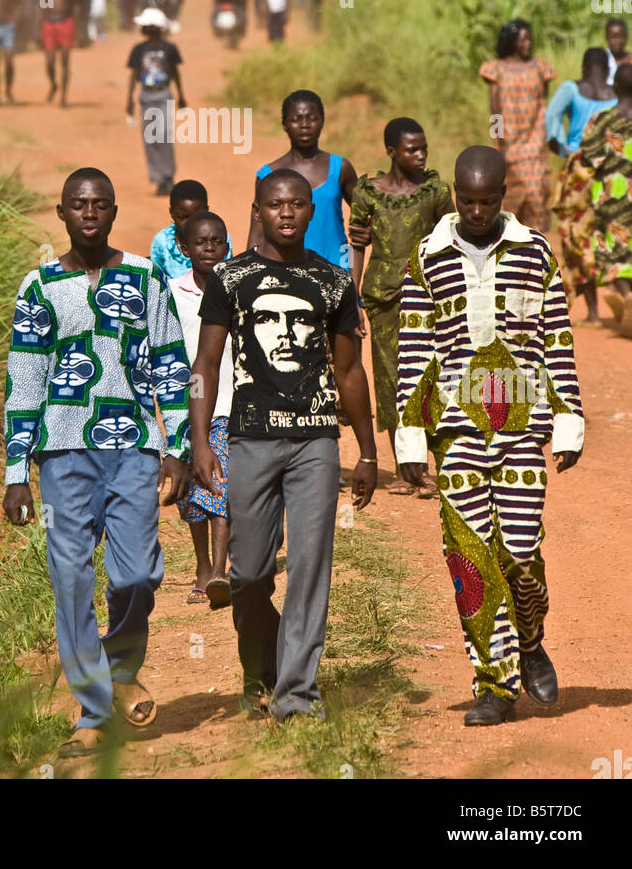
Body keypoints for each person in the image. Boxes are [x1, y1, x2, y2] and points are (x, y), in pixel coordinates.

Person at [1, 169, 190, 757]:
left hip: (131, 446)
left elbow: (168, 360)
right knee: (71, 576)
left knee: (138, 573)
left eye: (100, 205)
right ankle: (92, 707)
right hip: (61, 453)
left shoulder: (144, 275)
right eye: (78, 205)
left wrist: (177, 445)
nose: (89, 213)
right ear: (61, 212)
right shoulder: (40, 286)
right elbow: (25, 377)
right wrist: (15, 472)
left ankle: (119, 665)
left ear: (113, 210)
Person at [395, 146, 584, 726]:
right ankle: (493, 683)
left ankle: (529, 641)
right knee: (470, 559)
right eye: (467, 200)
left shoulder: (536, 252)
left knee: (522, 554)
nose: (477, 211)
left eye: (488, 201)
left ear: (504, 197)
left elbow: (557, 339)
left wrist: (570, 418)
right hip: (455, 429)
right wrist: (409, 435)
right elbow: (413, 350)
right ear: (453, 194)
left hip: (524, 426)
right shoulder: (426, 259)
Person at [190, 169, 377, 720]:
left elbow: (349, 371)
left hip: (315, 441)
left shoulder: (333, 281)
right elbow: (204, 363)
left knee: (310, 565)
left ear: (311, 211)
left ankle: (296, 694)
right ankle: (262, 664)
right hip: (249, 439)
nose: (287, 214)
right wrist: (200, 441)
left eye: (298, 204)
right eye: (276, 205)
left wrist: (366, 452)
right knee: (248, 574)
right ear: (258, 210)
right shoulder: (232, 278)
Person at [348, 118, 454, 496]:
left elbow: (452, 237)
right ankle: (407, 468)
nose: (421, 155)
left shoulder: (435, 191)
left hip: (431, 293)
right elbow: (357, 243)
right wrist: (353, 294)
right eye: (412, 149)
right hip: (383, 295)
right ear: (391, 151)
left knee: (434, 373)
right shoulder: (368, 193)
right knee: (391, 377)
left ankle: (440, 467)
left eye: (424, 148)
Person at [172, 212, 235, 608]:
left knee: (219, 485)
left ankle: (219, 570)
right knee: (192, 493)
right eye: (200, 242)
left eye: (217, 242)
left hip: (228, 401)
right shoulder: (171, 293)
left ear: (227, 246)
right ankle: (201, 565)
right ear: (184, 248)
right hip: (185, 406)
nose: (209, 248)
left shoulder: (235, 289)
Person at [248, 90, 359, 275]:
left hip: (336, 271)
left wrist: (353, 279)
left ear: (322, 121)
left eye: (312, 118)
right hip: (284, 272)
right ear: (284, 124)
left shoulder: (341, 168)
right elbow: (256, 235)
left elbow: (363, 226)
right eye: (296, 119)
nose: (304, 125)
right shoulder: (268, 176)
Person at [548, 49, 616, 321]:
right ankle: (610, 301)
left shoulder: (572, 88)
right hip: (609, 172)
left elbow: (552, 120)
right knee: (603, 232)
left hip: (579, 171)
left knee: (575, 233)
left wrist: (564, 150)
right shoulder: (617, 92)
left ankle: (592, 312)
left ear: (585, 67)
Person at [479, 19, 555, 231]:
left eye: (530, 39)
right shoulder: (497, 69)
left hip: (535, 140)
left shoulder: (540, 66)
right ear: (512, 42)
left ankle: (537, 247)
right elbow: (494, 108)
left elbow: (543, 101)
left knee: (537, 193)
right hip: (509, 143)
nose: (528, 43)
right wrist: (498, 139)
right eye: (523, 40)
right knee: (511, 196)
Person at [574, 61, 632, 334]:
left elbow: (588, 156)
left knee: (612, 252)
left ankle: (626, 296)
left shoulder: (603, 120)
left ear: (616, 87)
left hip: (612, 198)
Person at [126, 8, 185, 197]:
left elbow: (175, 72)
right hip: (146, 96)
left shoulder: (169, 48)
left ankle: (168, 176)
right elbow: (134, 74)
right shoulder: (139, 49)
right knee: (150, 138)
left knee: (163, 136)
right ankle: (158, 178)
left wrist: (181, 96)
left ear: (154, 28)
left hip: (163, 94)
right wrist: (129, 99)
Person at [150, 179, 233, 280]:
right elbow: (155, 280)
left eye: (197, 216)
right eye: (182, 217)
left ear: (206, 210)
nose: (189, 223)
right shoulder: (162, 241)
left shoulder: (219, 238)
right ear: (171, 213)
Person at [39, 0, 77, 106]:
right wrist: (39, 26)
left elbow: (75, 5)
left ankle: (63, 97)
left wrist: (79, 29)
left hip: (66, 22)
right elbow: (43, 5)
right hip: (49, 22)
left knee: (65, 60)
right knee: (49, 60)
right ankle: (54, 84)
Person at [606, 18, 631, 85]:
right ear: (607, 37)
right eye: (613, 37)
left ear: (626, 37)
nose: (617, 41)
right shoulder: (602, 59)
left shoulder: (630, 59)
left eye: (621, 37)